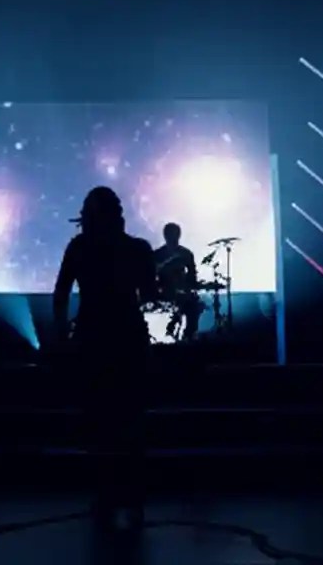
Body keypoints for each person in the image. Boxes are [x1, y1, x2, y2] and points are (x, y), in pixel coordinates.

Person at [52, 186, 156, 532]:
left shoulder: (79, 247)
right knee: (130, 418)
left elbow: (61, 293)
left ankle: (106, 494)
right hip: (127, 337)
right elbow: (151, 294)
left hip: (93, 338)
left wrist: (61, 336)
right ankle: (132, 497)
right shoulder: (138, 249)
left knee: (99, 419)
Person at [153, 223, 203, 341]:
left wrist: (190, 287)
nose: (173, 237)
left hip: (181, 292)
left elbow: (192, 277)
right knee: (190, 304)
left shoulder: (186, 253)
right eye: (170, 234)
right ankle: (175, 330)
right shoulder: (157, 254)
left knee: (193, 304)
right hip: (163, 293)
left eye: (174, 234)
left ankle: (188, 335)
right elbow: (151, 275)